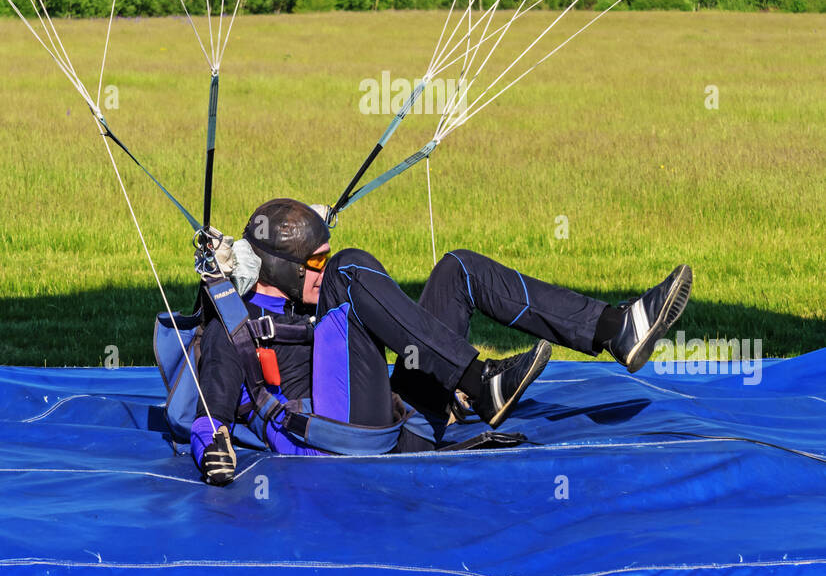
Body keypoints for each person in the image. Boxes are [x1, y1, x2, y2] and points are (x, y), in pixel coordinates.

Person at [191, 198, 693, 485]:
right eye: (314, 261)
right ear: (274, 266)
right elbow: (209, 414)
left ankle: (614, 328)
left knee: (457, 270)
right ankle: (478, 382)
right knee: (351, 266)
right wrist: (211, 450)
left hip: (398, 432)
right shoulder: (231, 327)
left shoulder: (310, 300)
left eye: (322, 258)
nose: (322, 270)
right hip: (340, 450)